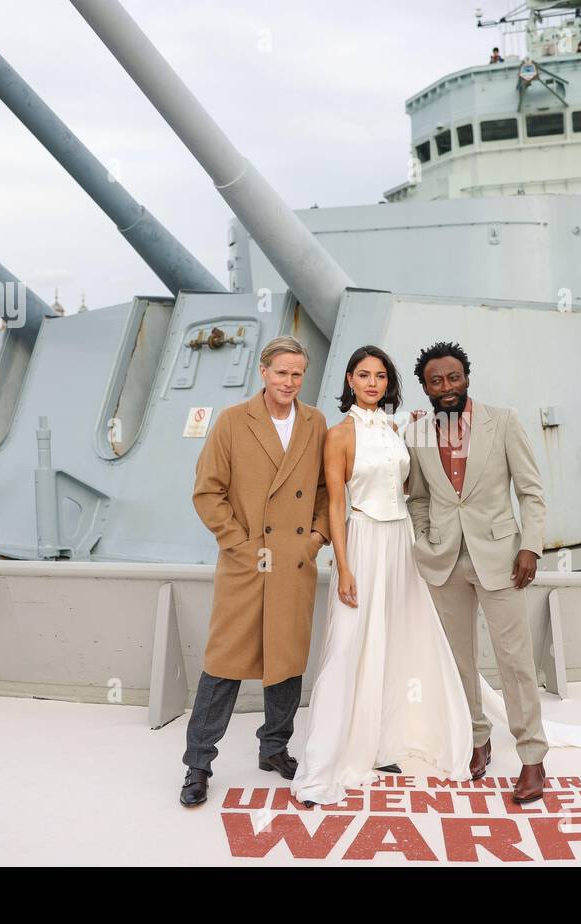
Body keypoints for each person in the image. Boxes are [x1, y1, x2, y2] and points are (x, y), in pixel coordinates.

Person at [291, 347, 472, 807]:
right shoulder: (339, 435)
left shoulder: (395, 429)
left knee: (397, 639)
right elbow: (335, 503)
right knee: (348, 644)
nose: (373, 382)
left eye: (380, 375)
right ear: (350, 379)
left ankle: (384, 743)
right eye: (364, 375)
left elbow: (410, 487)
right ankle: (326, 762)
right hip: (363, 542)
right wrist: (345, 566)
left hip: (401, 543)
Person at [179, 336, 331, 808]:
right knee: (223, 665)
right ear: (263, 372)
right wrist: (241, 546)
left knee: (286, 663)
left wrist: (315, 538)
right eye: (281, 372)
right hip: (248, 563)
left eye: (297, 374)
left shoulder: (316, 422)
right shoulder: (231, 422)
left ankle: (274, 748)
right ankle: (198, 764)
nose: (289, 381)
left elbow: (327, 490)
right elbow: (208, 492)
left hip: (293, 560)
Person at [404, 342, 549, 804]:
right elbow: (419, 497)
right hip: (443, 562)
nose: (446, 388)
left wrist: (530, 547)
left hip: (502, 559)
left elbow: (531, 492)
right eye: (435, 381)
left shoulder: (502, 421)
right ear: (425, 387)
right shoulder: (419, 433)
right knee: (457, 660)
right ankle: (476, 737)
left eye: (453, 378)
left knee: (515, 661)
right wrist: (426, 539)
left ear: (467, 377)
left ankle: (531, 755)